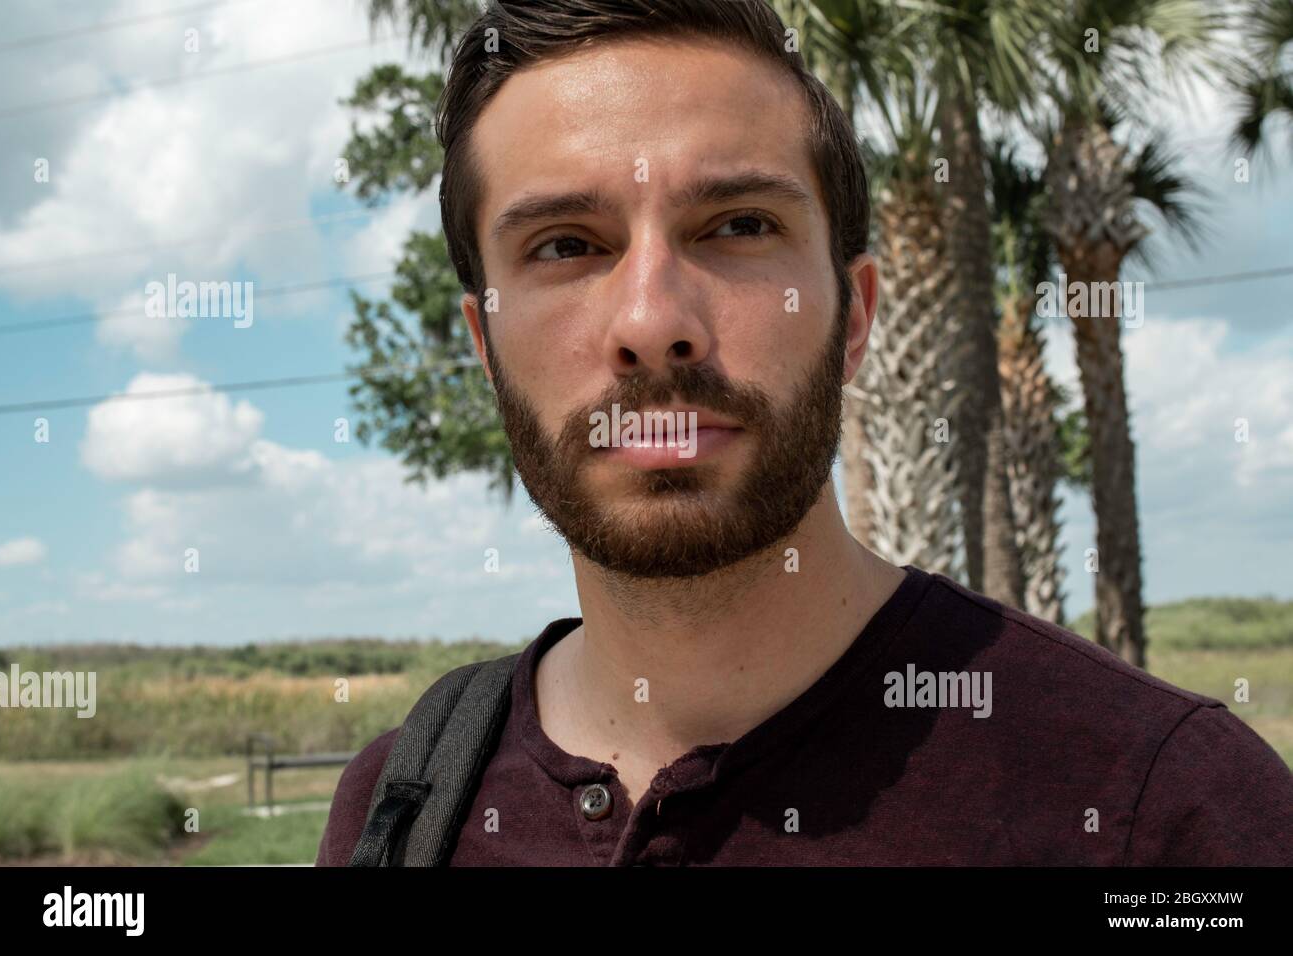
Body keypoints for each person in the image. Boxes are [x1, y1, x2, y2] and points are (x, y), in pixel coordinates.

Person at [317, 0, 1293, 866]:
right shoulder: (402, 803)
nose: (653, 321)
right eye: (566, 245)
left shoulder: (1159, 804)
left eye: (736, 225)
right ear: (484, 340)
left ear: (854, 315)